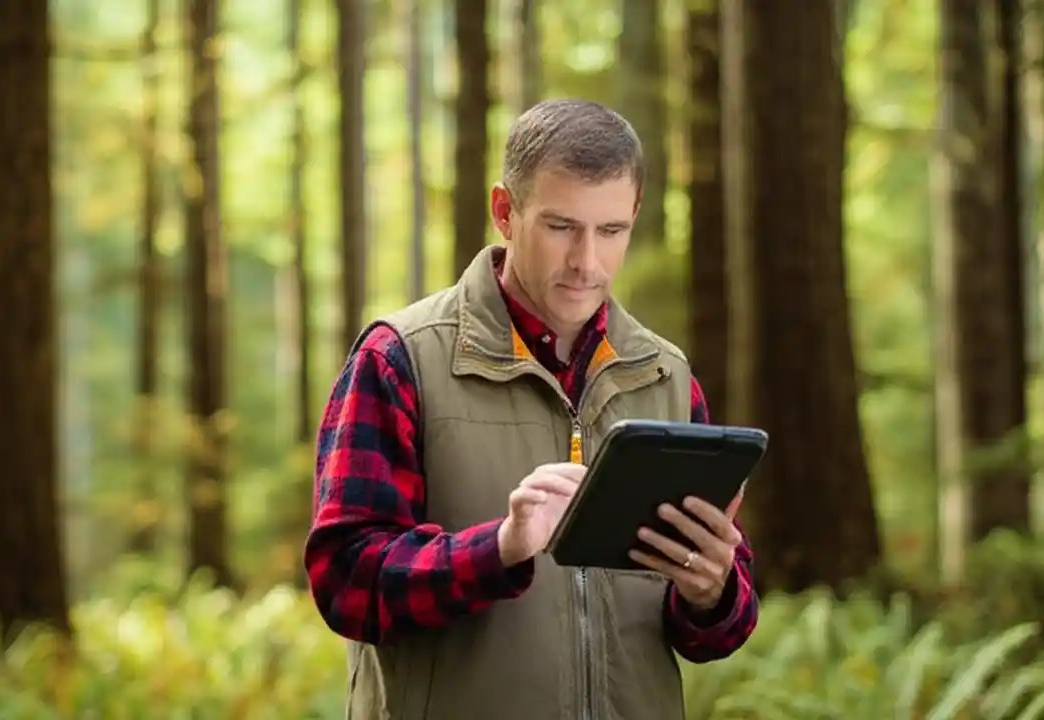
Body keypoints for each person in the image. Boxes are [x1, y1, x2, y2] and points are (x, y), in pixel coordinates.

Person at [304, 98, 758, 720]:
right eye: (560, 226)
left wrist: (713, 591)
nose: (586, 262)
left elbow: (719, 627)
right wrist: (500, 549)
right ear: (505, 213)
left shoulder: (667, 376)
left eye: (611, 231)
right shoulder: (399, 360)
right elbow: (346, 583)